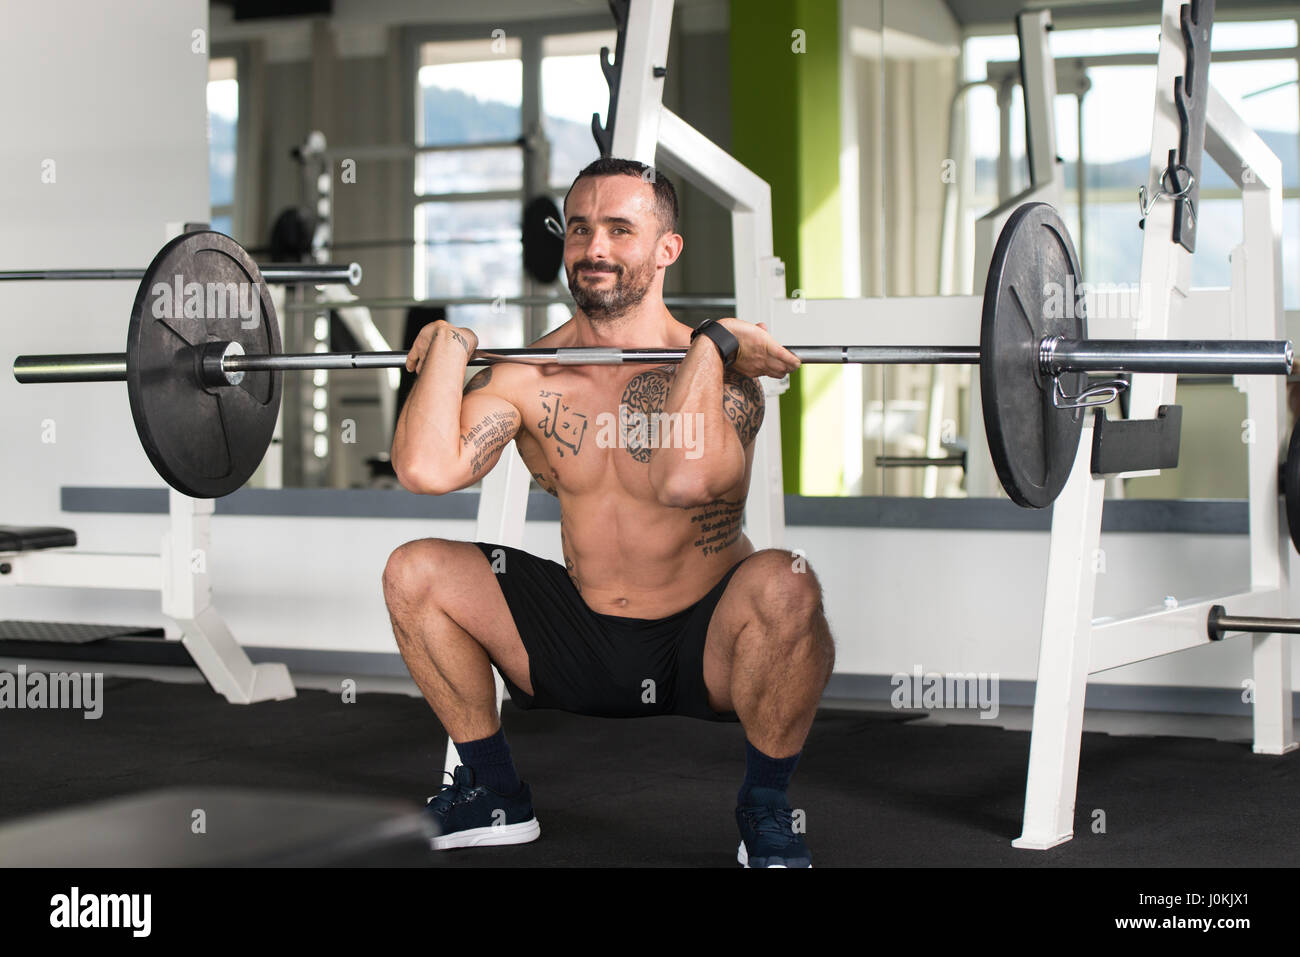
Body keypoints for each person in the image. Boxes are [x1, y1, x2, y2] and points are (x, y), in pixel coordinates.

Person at [383, 157, 835, 867]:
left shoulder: (725, 369)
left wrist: (711, 344)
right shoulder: (528, 374)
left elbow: (684, 479)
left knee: (789, 582)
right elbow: (424, 468)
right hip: (578, 635)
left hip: (703, 641)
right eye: (582, 228)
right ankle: (495, 792)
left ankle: (765, 808)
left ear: (666, 249)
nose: (595, 248)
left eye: (620, 229)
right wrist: (447, 346)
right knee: (414, 571)